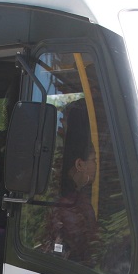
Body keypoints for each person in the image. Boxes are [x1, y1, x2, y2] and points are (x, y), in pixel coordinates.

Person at [43, 110, 98, 265]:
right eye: (94, 160)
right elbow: (86, 251)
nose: (96, 166)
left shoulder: (72, 197)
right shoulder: (68, 207)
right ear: (80, 164)